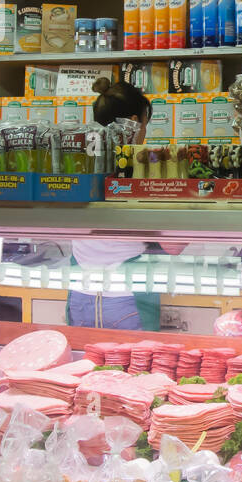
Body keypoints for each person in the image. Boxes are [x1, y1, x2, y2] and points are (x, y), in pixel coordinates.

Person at [66, 80, 182, 331]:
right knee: (133, 370)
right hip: (126, 299)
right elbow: (173, 246)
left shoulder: (79, 161)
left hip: (79, 296)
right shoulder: (141, 165)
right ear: (133, 122)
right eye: (144, 124)